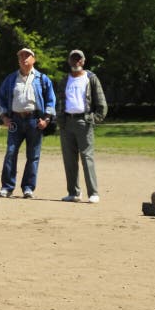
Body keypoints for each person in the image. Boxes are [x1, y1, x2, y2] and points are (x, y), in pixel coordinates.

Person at [0, 48, 56, 199]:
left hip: (34, 121)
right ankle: (7, 187)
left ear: (33, 59)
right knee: (10, 152)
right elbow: (2, 98)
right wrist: (4, 117)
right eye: (21, 56)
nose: (24, 59)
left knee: (33, 156)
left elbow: (51, 100)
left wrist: (46, 119)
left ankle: (28, 188)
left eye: (27, 56)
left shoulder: (42, 79)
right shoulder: (10, 79)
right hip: (15, 120)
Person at [57, 49, 107, 204]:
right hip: (67, 123)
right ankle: (73, 193)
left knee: (87, 158)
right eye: (73, 59)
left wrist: (93, 119)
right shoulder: (65, 80)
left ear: (83, 61)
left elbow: (101, 103)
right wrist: (60, 120)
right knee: (69, 159)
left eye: (79, 59)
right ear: (69, 61)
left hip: (84, 122)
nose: (76, 61)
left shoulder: (90, 78)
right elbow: (59, 102)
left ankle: (93, 193)